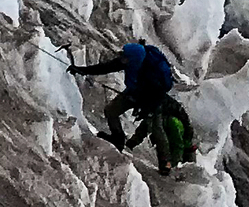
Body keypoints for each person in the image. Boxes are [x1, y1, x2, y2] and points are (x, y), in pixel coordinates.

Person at [71, 39, 190, 174]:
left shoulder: (152, 74)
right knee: (111, 110)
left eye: (125, 58)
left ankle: (165, 164)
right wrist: (82, 70)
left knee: (156, 129)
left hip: (153, 99)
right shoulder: (131, 60)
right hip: (135, 92)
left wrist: (144, 108)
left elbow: (158, 94)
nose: (122, 60)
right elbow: (108, 67)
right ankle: (118, 139)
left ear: (133, 59)